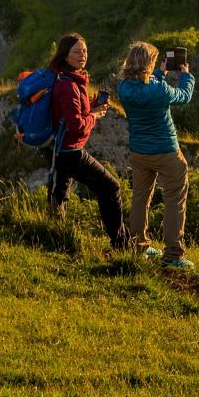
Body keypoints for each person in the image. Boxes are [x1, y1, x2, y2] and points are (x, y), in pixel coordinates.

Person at [114, 41, 195, 270]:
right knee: (174, 200)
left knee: (140, 199)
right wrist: (186, 76)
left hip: (139, 152)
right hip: (166, 151)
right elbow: (183, 95)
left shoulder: (123, 87)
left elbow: (145, 86)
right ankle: (173, 254)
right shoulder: (160, 90)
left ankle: (139, 245)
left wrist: (160, 72)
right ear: (148, 63)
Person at [44, 33, 128, 251]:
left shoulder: (69, 78)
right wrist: (95, 115)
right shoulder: (68, 85)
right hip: (68, 150)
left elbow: (73, 111)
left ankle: (56, 240)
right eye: (77, 51)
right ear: (65, 55)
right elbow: (76, 125)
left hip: (58, 148)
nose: (82, 55)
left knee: (59, 196)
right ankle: (121, 245)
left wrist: (92, 105)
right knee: (110, 187)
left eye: (85, 51)